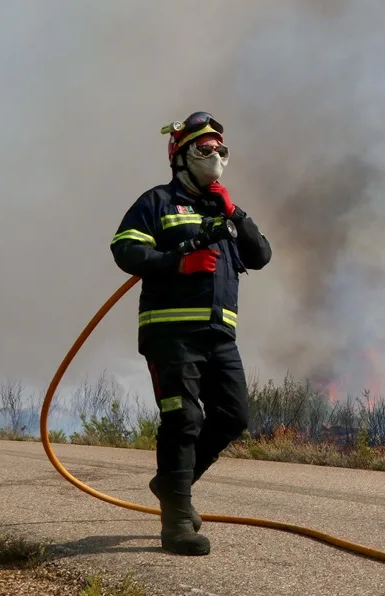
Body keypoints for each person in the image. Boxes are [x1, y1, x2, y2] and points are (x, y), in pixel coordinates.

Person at [109, 112, 272, 556]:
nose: (215, 155)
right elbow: (125, 248)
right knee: (183, 420)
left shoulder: (224, 210)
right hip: (171, 333)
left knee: (233, 416)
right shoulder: (158, 201)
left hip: (219, 335)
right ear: (181, 156)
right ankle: (177, 523)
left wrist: (233, 211)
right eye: (205, 148)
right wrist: (177, 262)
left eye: (221, 149)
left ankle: (171, 484)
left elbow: (260, 256)